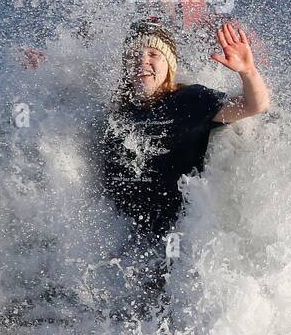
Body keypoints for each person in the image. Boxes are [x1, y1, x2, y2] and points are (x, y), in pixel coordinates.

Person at [97, 17, 271, 311]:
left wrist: (248, 72)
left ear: (169, 64)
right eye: (134, 55)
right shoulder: (119, 114)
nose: (143, 60)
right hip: (127, 244)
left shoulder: (189, 100)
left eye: (153, 54)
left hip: (180, 243)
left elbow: (255, 106)